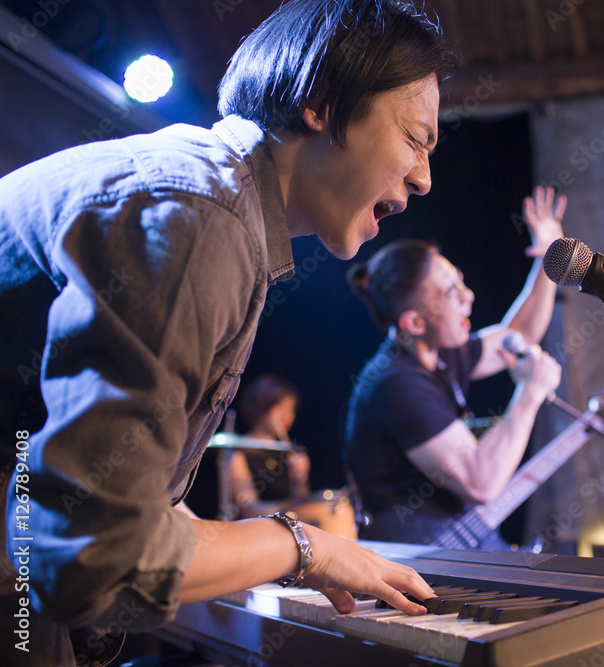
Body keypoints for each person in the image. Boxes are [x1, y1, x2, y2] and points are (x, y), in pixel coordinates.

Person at [1, 1, 453, 664]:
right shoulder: (198, 216)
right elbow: (94, 561)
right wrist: (305, 547)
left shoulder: (216, 200)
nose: (424, 177)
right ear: (320, 101)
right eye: (416, 138)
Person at [344, 186, 565, 548]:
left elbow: (520, 333)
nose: (469, 297)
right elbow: (480, 483)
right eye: (451, 292)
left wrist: (547, 257)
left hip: (449, 536)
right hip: (414, 554)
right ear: (414, 322)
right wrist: (530, 393)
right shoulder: (397, 384)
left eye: (460, 281)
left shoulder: (441, 352)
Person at [227, 374, 357, 538]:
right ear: (262, 405)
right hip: (258, 534)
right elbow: (250, 510)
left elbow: (300, 501)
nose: (286, 415)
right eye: (279, 407)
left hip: (289, 530)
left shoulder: (287, 452)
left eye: (291, 409)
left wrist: (299, 480)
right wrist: (291, 507)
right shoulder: (238, 452)